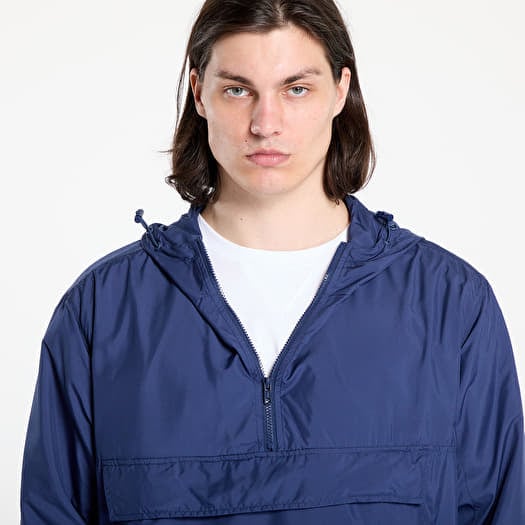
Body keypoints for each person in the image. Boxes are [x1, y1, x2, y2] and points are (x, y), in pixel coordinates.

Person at [21, 0, 524, 523]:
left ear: (340, 90)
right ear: (199, 92)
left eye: (296, 89)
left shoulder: (451, 304)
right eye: (238, 90)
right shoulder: (103, 310)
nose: (266, 124)